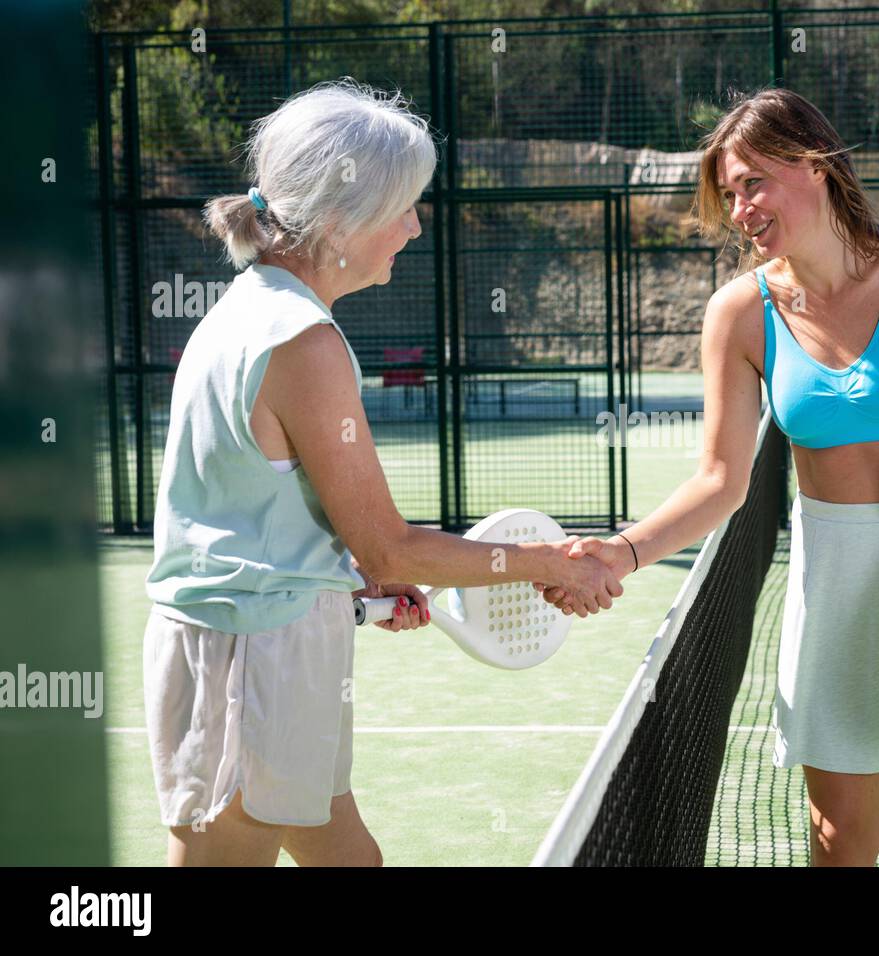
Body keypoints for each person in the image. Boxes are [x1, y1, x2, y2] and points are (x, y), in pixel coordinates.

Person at [538, 88, 879, 866]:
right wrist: (623, 552)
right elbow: (719, 479)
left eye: (753, 183)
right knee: (840, 840)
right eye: (729, 194)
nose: (739, 208)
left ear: (814, 166)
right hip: (832, 587)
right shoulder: (739, 315)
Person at [143, 79, 621, 867]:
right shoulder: (303, 342)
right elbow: (389, 550)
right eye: (402, 206)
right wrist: (542, 565)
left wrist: (340, 583)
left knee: (346, 855)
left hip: (267, 640)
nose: (413, 225)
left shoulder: (245, 310)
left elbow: (255, 514)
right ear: (338, 222)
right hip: (251, 657)